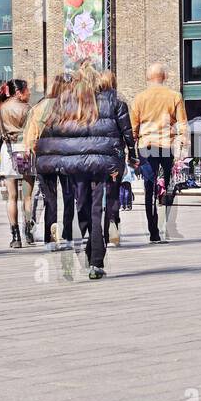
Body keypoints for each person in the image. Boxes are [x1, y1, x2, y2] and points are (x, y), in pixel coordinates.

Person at [34, 64, 131, 279]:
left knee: (83, 205)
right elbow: (127, 131)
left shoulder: (67, 101)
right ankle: (96, 258)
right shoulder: (114, 100)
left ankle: (88, 249)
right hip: (104, 163)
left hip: (77, 164)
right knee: (99, 208)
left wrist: (46, 159)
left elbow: (53, 132)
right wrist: (131, 155)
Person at [130, 62, 188, 243]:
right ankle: (166, 226)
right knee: (167, 187)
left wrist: (130, 151)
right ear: (165, 77)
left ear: (147, 78)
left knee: (150, 189)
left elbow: (133, 127)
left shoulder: (139, 98)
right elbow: (182, 124)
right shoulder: (174, 96)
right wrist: (183, 145)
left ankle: (153, 231)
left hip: (146, 147)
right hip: (165, 146)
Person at [25, 73, 74, 251]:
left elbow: (30, 138)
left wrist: (36, 151)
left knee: (49, 199)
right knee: (69, 197)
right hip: (67, 157)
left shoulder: (39, 107)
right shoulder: (71, 107)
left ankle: (50, 239)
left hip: (44, 157)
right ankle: (68, 235)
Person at [0, 79, 34, 248]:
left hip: (8, 151)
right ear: (18, 92)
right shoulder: (28, 109)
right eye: (27, 90)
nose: (29, 93)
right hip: (26, 150)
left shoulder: (0, 110)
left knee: (12, 197)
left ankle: (15, 236)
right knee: (28, 196)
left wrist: (3, 135)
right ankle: (28, 230)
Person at [96, 70, 134, 246]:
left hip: (95, 155)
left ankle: (97, 232)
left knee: (95, 193)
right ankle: (112, 229)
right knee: (113, 193)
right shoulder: (119, 104)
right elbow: (127, 132)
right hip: (114, 156)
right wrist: (132, 154)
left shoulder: (90, 104)